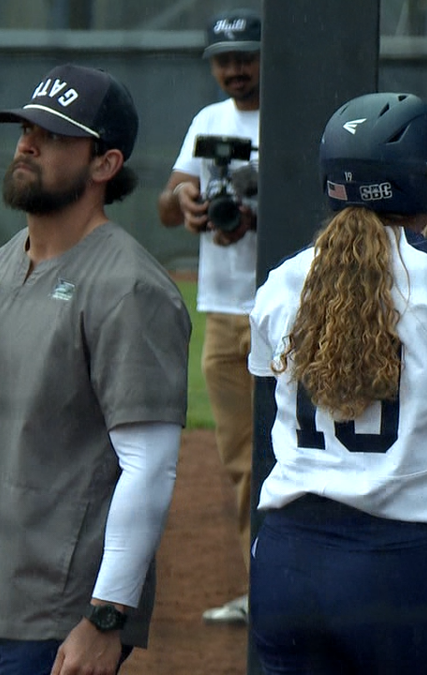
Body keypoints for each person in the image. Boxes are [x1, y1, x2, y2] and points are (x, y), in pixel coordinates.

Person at [0, 63, 191, 675]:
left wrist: (107, 618)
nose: (27, 143)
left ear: (104, 164)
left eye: (55, 135)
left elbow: (150, 466)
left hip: (70, 617)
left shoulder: (130, 289)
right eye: (26, 128)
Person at [247, 93, 427, 674]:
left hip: (285, 557)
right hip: (403, 563)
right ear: (420, 184)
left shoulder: (282, 280)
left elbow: (267, 427)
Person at [156, 7, 261, 625]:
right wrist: (186, 201)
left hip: (284, 305)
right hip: (223, 310)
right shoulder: (208, 121)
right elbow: (168, 204)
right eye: (224, 60)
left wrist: (258, 215)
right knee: (241, 456)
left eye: (245, 57)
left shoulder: (292, 113)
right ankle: (262, 585)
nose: (234, 70)